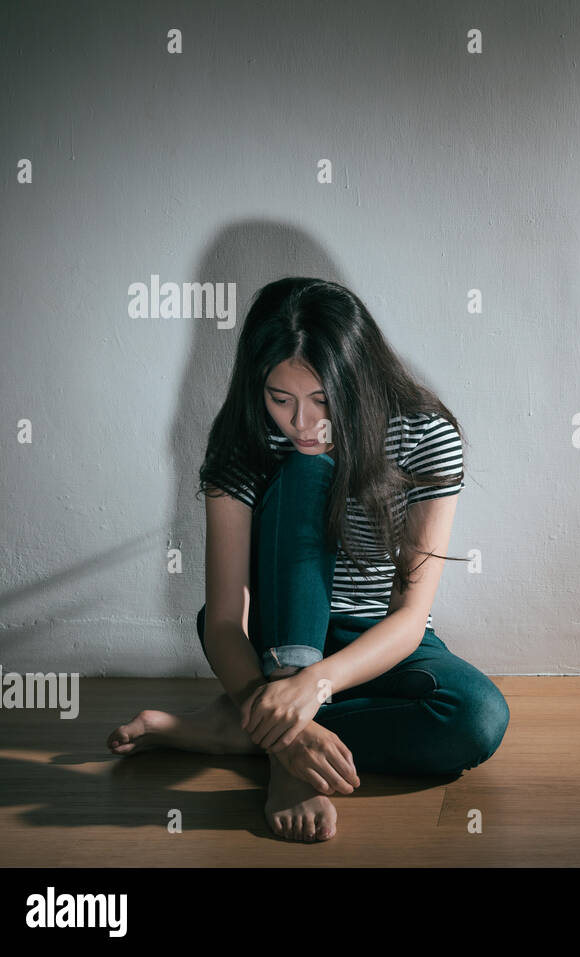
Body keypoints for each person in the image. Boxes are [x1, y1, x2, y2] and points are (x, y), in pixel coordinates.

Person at [106, 277, 509, 843]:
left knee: (476, 719)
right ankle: (282, 752)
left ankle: (241, 725)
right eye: (280, 399)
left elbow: (410, 617)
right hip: (271, 633)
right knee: (305, 472)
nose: (302, 424)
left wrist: (317, 686)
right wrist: (291, 735)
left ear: (359, 379)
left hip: (376, 639)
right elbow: (223, 622)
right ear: (258, 387)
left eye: (323, 399)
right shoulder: (240, 442)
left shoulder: (425, 433)